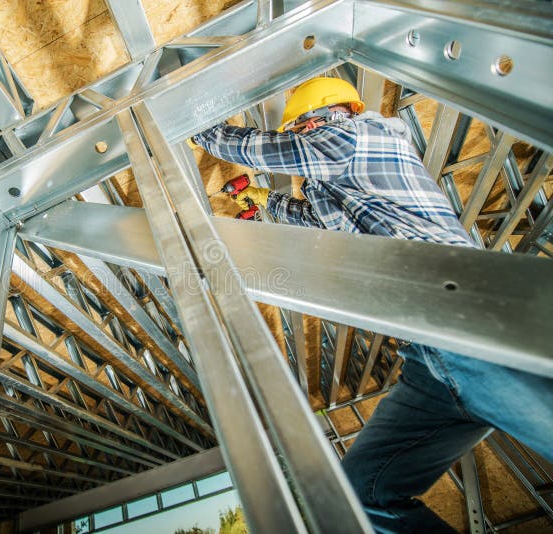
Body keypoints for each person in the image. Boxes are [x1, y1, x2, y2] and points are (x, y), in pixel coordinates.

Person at [190, 77, 553, 533]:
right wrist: (266, 200)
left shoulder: (359, 135)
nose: (298, 141)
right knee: (362, 497)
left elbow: (273, 151)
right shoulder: (347, 173)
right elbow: (319, 221)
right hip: (429, 358)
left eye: (297, 130)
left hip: (473, 318)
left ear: (314, 121)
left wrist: (197, 126)